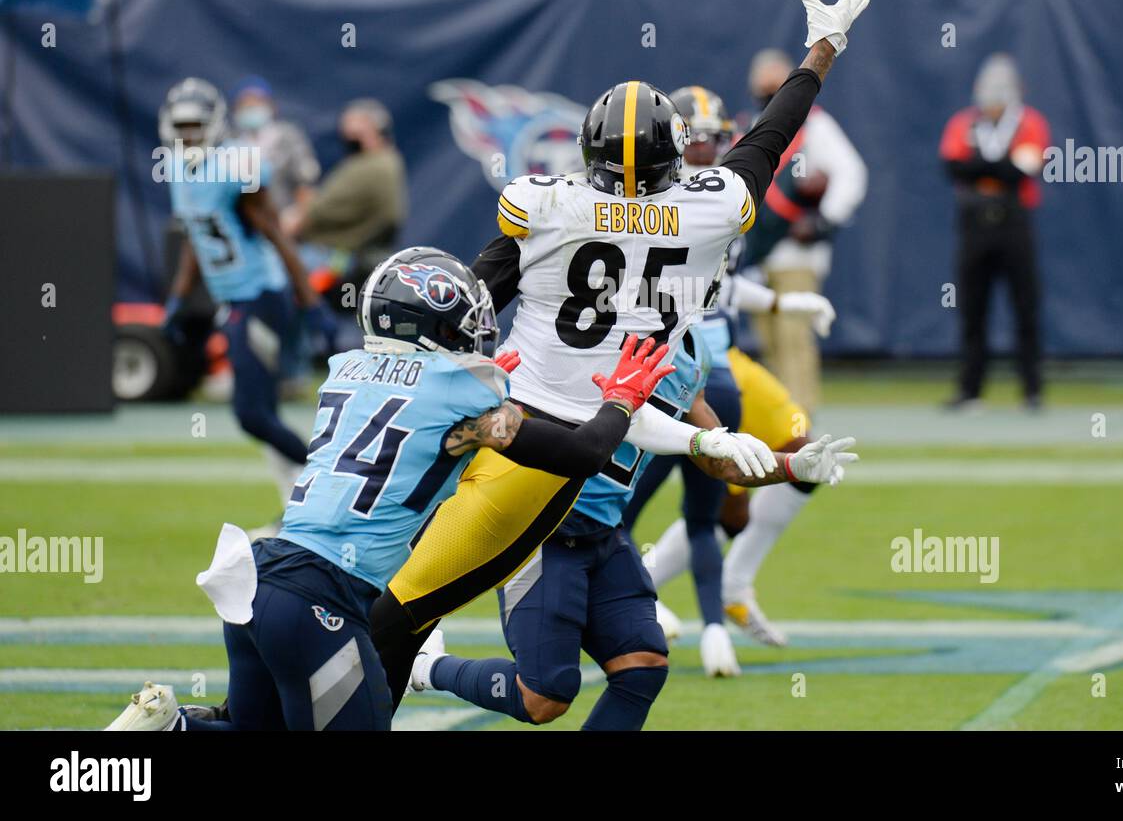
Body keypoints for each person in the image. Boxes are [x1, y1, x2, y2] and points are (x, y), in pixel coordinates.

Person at [368, 0, 879, 707]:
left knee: (433, 622)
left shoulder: (549, 205)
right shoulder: (709, 213)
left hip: (530, 428)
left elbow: (475, 303)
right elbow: (770, 136)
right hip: (559, 449)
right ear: (677, 156)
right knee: (398, 618)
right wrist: (823, 47)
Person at [106, 247, 677, 730]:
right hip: (320, 597)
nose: (474, 335)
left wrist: (483, 398)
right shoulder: (464, 392)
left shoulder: (346, 367)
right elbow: (582, 455)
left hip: (261, 578)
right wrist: (621, 401)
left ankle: (174, 725)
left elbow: (419, 428)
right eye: (461, 325)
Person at [407, 327, 855, 730]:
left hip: (605, 531)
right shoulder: (584, 332)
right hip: (542, 530)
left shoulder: (691, 352)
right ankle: (428, 667)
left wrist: (792, 466)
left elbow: (719, 460)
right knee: (544, 697)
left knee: (642, 666)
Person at [621, 86, 839, 673]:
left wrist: (787, 306)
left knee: (795, 442)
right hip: (670, 368)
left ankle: (732, 586)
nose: (712, 149)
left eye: (721, 138)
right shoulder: (657, 202)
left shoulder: (724, 196)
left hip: (717, 363)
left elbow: (724, 286)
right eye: (702, 139)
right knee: (692, 495)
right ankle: (646, 587)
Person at [159, 78, 335, 507]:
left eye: (195, 125)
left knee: (251, 414)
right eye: (181, 126)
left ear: (215, 124)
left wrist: (310, 304)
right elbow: (196, 237)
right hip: (235, 299)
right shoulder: (179, 167)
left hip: (262, 293)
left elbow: (276, 233)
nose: (188, 135)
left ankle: (330, 481)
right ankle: (298, 509)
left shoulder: (236, 165)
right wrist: (179, 298)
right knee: (264, 414)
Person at [742, 47, 867, 412]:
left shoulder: (815, 125)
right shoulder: (750, 126)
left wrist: (823, 219)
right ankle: (778, 420)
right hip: (757, 252)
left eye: (775, 89)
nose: (768, 96)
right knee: (768, 342)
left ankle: (801, 421)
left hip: (797, 253)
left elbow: (851, 174)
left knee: (795, 337)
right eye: (763, 89)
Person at [939, 53, 1051, 411]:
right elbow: (954, 167)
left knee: (1025, 306)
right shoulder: (962, 123)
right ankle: (971, 389)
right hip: (973, 223)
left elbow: (1022, 171)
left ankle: (1032, 389)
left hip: (1015, 224)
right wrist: (999, 166)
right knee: (973, 308)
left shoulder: (1030, 122)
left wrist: (984, 168)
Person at [284, 98, 408, 282]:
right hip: (342, 254)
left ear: (375, 129)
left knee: (274, 273)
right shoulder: (374, 162)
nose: (348, 134)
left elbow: (315, 211)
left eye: (355, 128)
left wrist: (290, 222)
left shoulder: (374, 165)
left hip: (338, 258)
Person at [227, 76, 320, 214]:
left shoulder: (289, 137)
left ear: (271, 105)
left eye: (257, 103)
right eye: (245, 104)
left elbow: (307, 184)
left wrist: (294, 218)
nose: (251, 108)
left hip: (286, 219)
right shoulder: (229, 142)